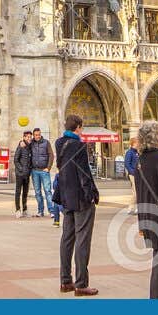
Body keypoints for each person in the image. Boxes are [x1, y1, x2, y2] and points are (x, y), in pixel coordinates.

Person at [53, 113, 100, 295]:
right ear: (78, 127)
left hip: (65, 197)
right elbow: (84, 174)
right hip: (80, 199)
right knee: (82, 240)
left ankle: (65, 281)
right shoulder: (79, 146)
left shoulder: (59, 143)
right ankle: (81, 284)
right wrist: (92, 194)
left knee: (67, 238)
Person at [132, 120, 158, 297]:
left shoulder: (139, 161)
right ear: (154, 136)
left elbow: (140, 194)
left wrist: (142, 224)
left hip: (148, 218)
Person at [27, 125, 53, 219]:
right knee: (37, 192)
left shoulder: (46, 143)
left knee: (48, 191)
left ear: (40, 134)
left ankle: (51, 211)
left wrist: (48, 168)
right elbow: (24, 146)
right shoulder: (31, 144)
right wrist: (21, 142)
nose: (37, 136)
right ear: (33, 136)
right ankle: (40, 211)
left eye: (39, 135)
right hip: (34, 171)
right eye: (36, 135)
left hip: (44, 171)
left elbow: (51, 155)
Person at [13, 129, 34, 217]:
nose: (29, 138)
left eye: (30, 137)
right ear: (24, 137)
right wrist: (21, 169)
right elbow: (15, 160)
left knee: (25, 193)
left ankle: (25, 210)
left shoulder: (30, 146)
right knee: (18, 192)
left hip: (27, 174)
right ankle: (18, 210)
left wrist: (28, 170)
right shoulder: (20, 146)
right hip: (20, 174)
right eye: (28, 137)